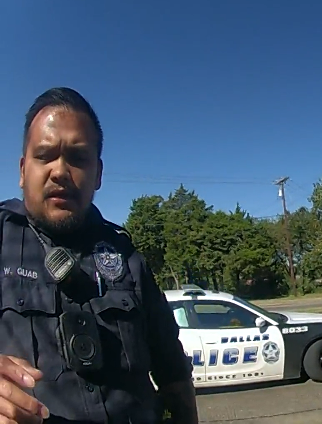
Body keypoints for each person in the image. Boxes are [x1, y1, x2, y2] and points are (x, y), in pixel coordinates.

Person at [0, 87, 199, 423]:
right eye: (45, 155)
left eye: (78, 158)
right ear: (22, 171)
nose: (60, 171)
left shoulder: (127, 257)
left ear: (99, 173)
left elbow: (174, 376)